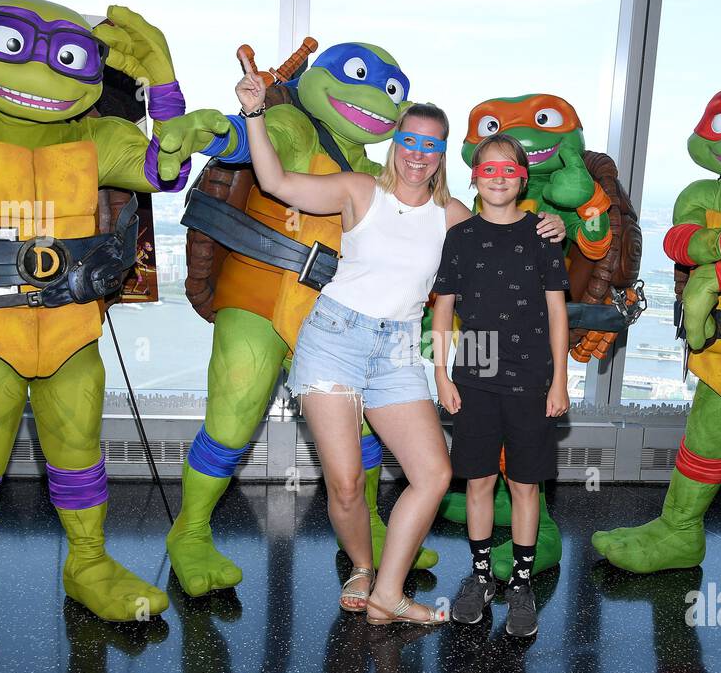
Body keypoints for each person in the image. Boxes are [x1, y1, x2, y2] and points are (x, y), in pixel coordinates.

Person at [232, 53, 567, 624]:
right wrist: (256, 113)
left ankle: (388, 595)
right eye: (410, 140)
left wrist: (548, 224)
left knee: (434, 475)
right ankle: (361, 567)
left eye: (432, 145)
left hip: (396, 351)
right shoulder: (359, 190)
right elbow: (276, 182)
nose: (418, 153)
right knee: (343, 487)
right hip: (335, 339)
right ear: (396, 144)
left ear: (440, 157)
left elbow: (506, 229)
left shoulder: (452, 216)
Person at [430, 134, 570, 637]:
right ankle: (482, 576)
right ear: (474, 177)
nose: (497, 178)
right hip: (477, 365)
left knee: (525, 484)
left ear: (522, 178)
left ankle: (523, 584)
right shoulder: (460, 237)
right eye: (487, 170)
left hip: (533, 374)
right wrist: (442, 374)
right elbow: (443, 307)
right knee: (480, 481)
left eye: (508, 170)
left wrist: (560, 379)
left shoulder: (544, 235)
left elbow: (557, 310)